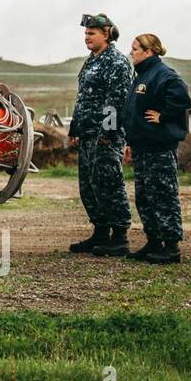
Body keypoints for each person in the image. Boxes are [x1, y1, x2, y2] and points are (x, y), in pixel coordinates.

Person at [67, 13, 134, 256]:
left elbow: (115, 100)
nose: (87, 37)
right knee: (89, 184)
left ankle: (119, 236)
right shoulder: (91, 61)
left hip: (105, 135)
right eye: (85, 33)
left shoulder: (116, 61)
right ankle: (100, 231)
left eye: (91, 33)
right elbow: (83, 96)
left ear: (106, 34)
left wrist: (108, 131)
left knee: (109, 182)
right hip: (87, 133)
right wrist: (75, 127)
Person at [122, 33, 191, 263]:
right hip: (142, 147)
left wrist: (164, 116)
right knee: (145, 197)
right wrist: (130, 142)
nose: (131, 52)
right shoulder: (142, 75)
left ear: (149, 51)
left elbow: (182, 98)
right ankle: (153, 242)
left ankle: (170, 247)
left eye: (135, 49)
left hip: (159, 148)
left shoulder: (163, 75)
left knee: (163, 196)